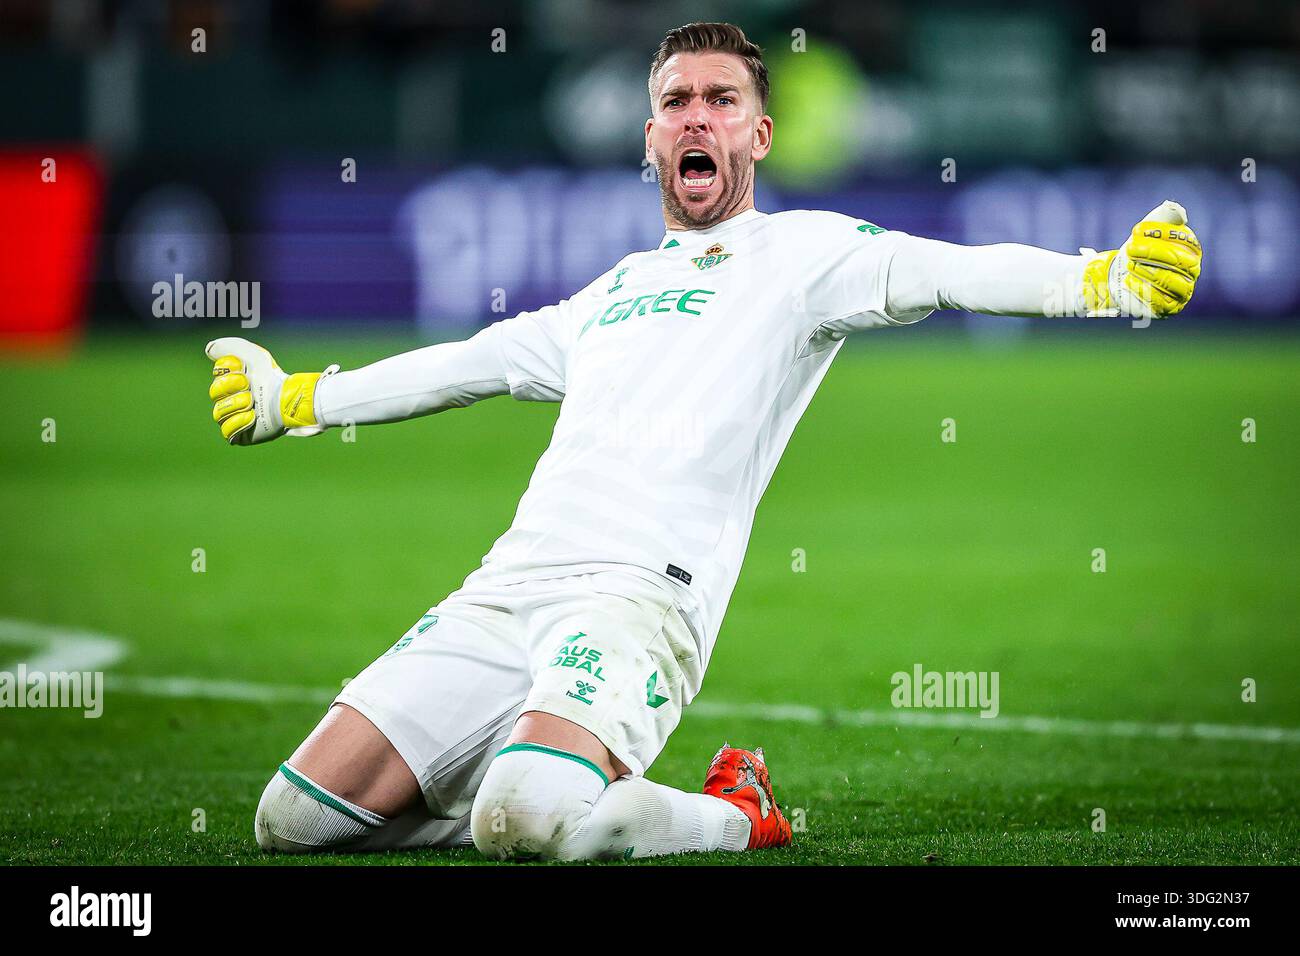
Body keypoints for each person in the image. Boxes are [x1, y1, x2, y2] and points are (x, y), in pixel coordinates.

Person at [206, 21, 1202, 861]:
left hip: (639, 600)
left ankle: (730, 811)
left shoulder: (806, 256)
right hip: (504, 592)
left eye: (720, 101)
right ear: (650, 138)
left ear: (759, 134)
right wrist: (300, 396)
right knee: (290, 819)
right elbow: (466, 363)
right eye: (676, 100)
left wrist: (1103, 278)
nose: (695, 115)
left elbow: (949, 269)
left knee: (521, 816)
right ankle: (541, 781)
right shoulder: (608, 296)